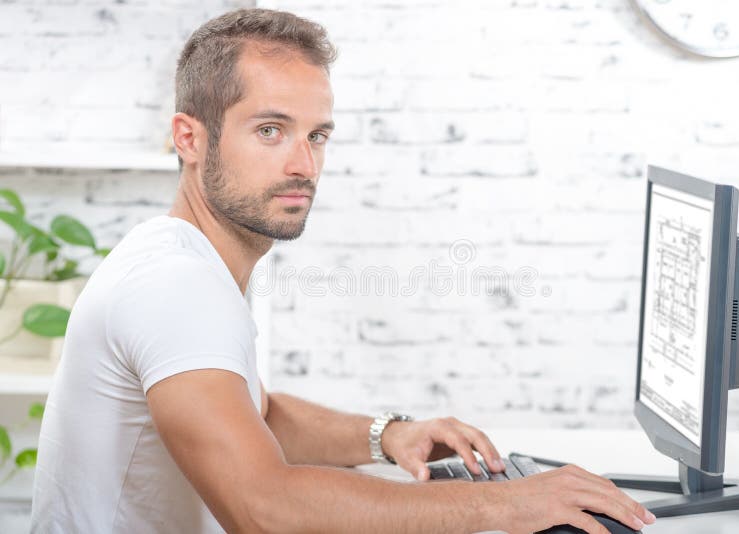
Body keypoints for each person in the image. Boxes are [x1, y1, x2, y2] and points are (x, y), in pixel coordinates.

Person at [31, 8, 656, 533]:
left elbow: (258, 412)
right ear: (189, 139)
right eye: (271, 130)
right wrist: (505, 503)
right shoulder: (174, 287)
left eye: (318, 135)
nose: (304, 163)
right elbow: (263, 506)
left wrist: (389, 436)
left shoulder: (184, 260)